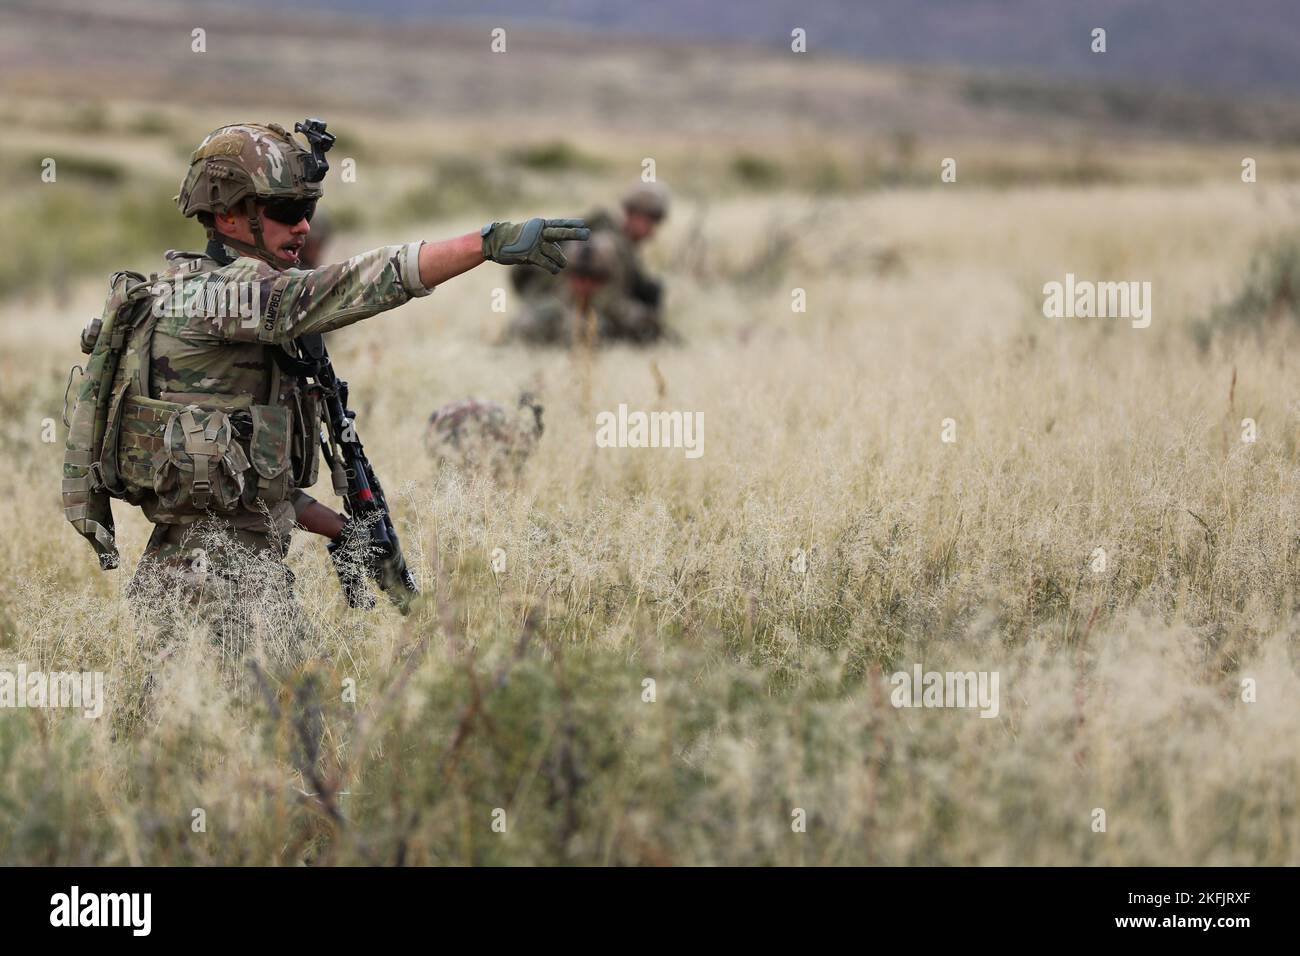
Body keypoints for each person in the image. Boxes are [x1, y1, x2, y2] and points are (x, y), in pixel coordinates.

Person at [62, 120, 588, 626]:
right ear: (226, 216)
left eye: (308, 209)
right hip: (212, 590)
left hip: (213, 578)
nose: (304, 226)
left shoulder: (206, 303)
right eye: (287, 209)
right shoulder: (223, 296)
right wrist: (485, 244)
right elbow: (349, 287)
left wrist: (346, 533)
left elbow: (250, 486)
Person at [508, 182, 670, 345]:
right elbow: (602, 299)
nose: (652, 230)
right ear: (633, 214)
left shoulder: (618, 243)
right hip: (568, 312)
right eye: (652, 219)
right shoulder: (608, 243)